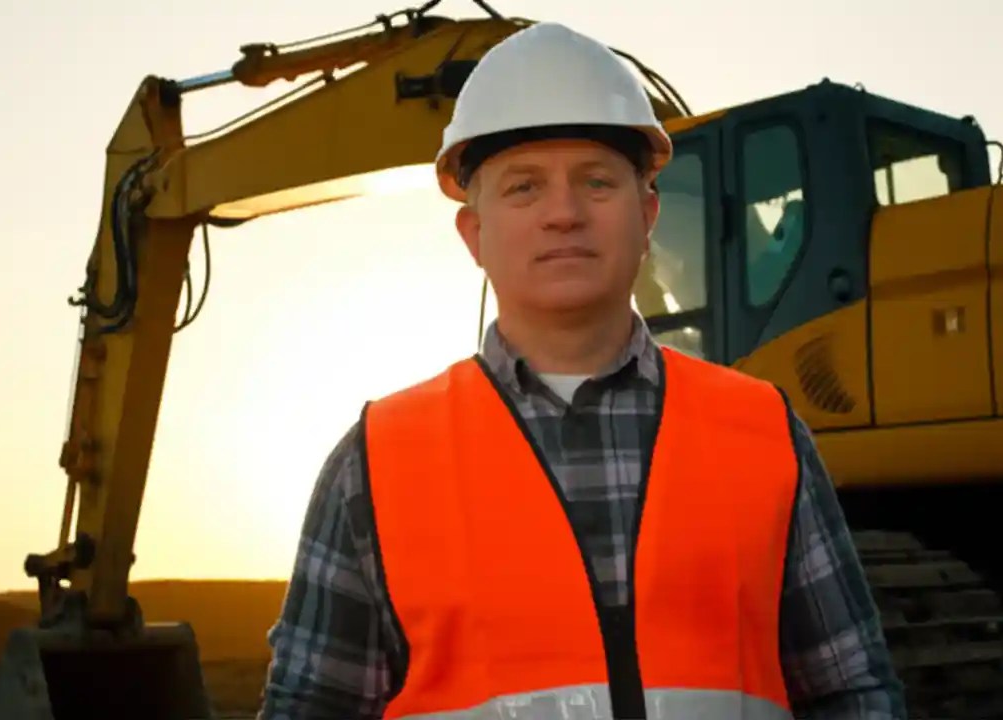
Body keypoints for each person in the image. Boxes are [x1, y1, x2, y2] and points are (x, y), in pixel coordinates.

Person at [258, 21, 906, 720]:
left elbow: (853, 695)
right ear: (474, 234)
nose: (563, 213)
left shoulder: (765, 436)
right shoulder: (376, 463)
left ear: (647, 212)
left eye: (596, 182)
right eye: (524, 188)